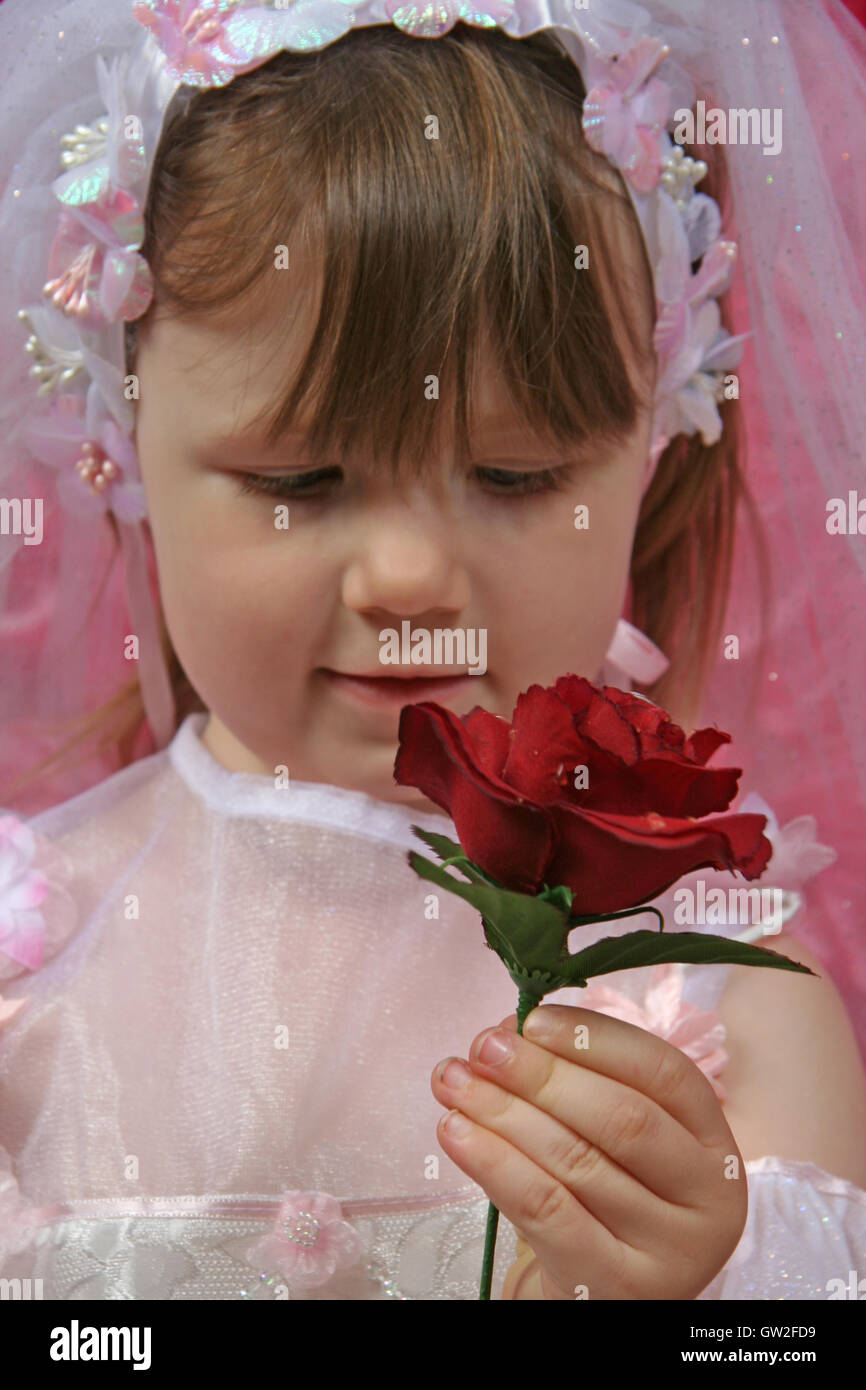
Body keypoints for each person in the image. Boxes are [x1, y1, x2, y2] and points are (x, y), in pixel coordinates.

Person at [0, 0, 864, 1300]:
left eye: (515, 475)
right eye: (299, 478)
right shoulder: (31, 972)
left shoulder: (723, 1010)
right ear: (121, 445)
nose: (409, 574)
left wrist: (701, 1286)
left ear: (644, 460)